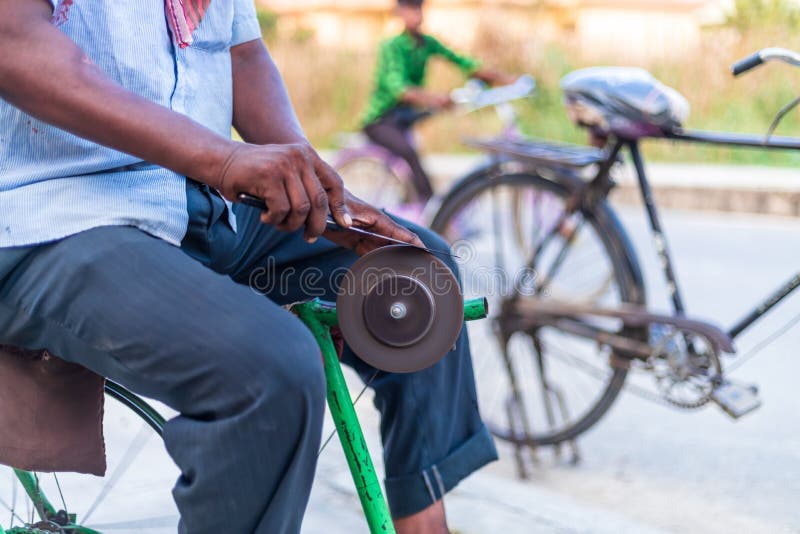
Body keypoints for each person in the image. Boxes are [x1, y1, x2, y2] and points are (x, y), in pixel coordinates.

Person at [0, 1, 498, 534]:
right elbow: (13, 43)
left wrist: (316, 188)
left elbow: (242, 54)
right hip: (53, 215)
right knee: (270, 372)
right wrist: (224, 159)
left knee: (416, 273)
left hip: (200, 202)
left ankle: (421, 523)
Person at [361, 0, 514, 207]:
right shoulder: (392, 46)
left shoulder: (427, 43)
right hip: (382, 119)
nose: (416, 15)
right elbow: (399, 89)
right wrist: (435, 98)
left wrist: (504, 79)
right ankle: (430, 206)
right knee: (409, 153)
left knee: (419, 151)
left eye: (419, 9)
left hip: (406, 116)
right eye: (410, 9)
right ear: (400, 13)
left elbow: (461, 61)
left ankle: (418, 202)